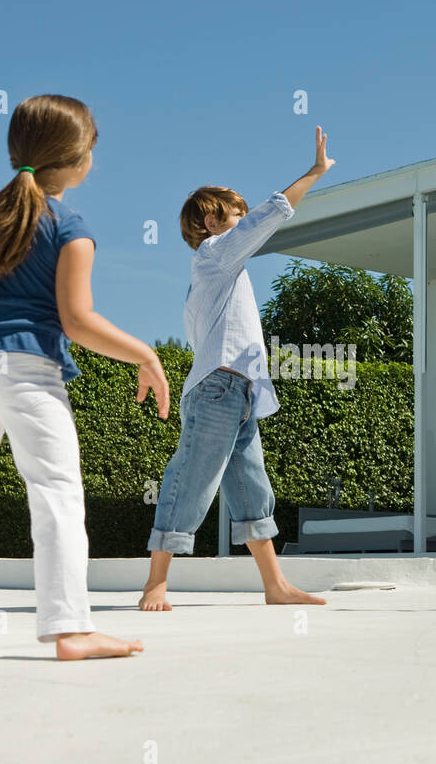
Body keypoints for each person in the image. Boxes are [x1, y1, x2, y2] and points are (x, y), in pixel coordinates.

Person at [0, 94, 168, 659]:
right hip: (27, 371)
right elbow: (77, 320)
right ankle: (71, 630)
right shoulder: (71, 225)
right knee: (56, 491)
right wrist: (144, 353)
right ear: (79, 159)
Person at [139, 128, 335, 611]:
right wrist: (313, 173)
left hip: (240, 392)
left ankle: (276, 586)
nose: (244, 218)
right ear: (209, 220)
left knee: (252, 488)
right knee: (192, 480)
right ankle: (155, 584)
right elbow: (268, 217)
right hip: (219, 390)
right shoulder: (214, 255)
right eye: (234, 212)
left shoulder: (221, 273)